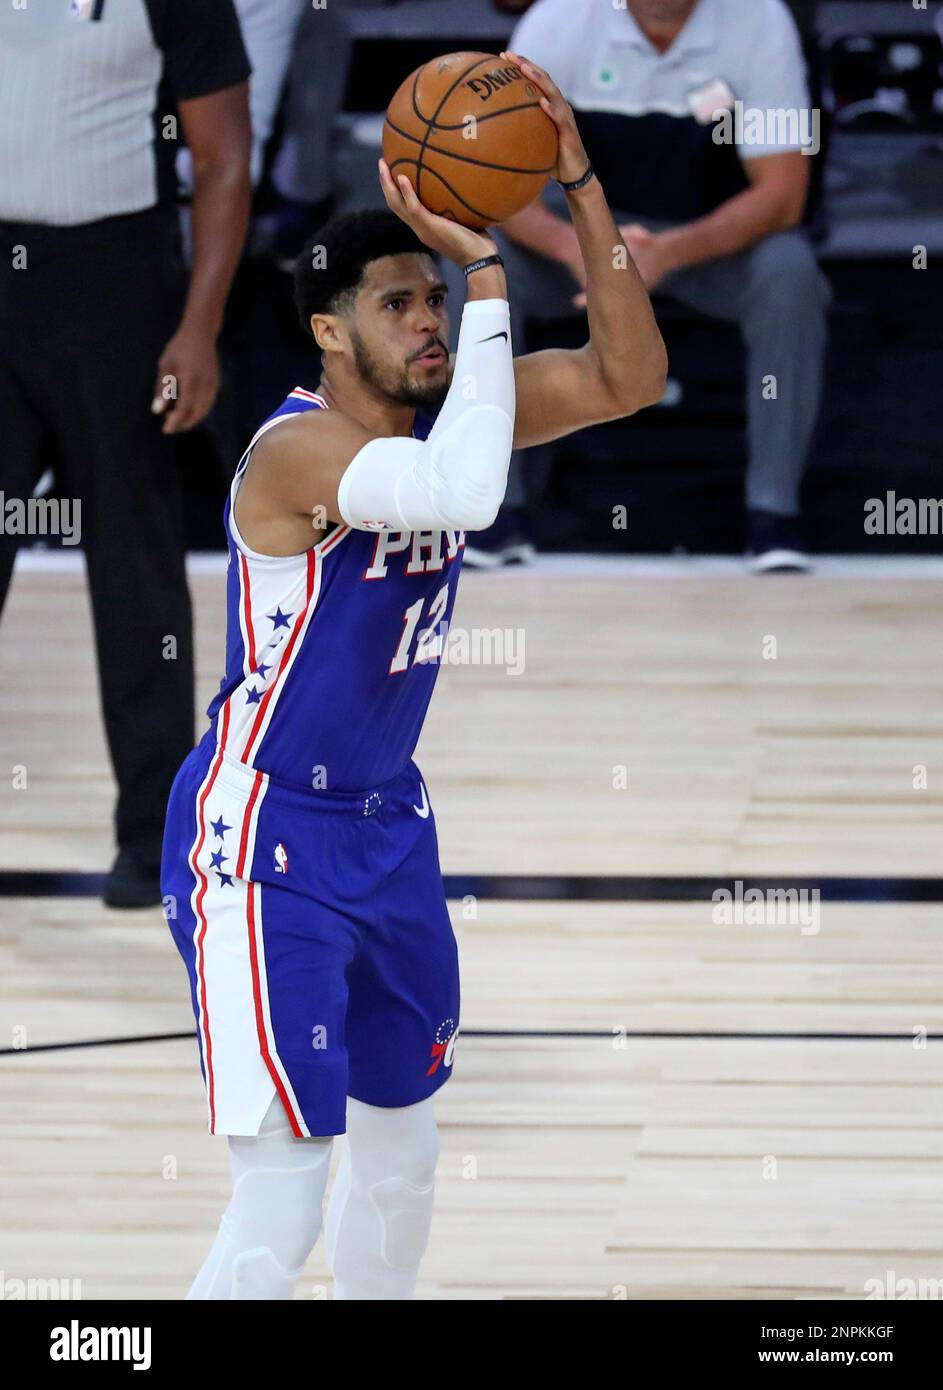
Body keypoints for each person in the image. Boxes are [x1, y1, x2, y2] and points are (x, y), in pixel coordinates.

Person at [160, 54, 666, 1301]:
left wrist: (579, 188)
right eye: (401, 304)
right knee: (283, 1192)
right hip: (263, 839)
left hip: (388, 829)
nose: (432, 321)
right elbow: (463, 495)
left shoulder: (454, 420)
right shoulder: (294, 452)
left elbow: (624, 376)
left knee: (403, 1150)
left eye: (435, 298)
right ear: (329, 332)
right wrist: (491, 264)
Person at [0, 0, 252, 907]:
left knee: (134, 565)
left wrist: (199, 328)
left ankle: (152, 837)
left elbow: (223, 159)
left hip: (113, 289)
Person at [444, 0, 831, 571]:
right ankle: (492, 509)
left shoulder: (761, 19)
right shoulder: (557, 20)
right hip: (577, 236)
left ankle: (773, 512)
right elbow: (485, 177)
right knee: (469, 262)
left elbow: (783, 193)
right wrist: (579, 250)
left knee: (789, 273)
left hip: (703, 242)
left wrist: (665, 254)